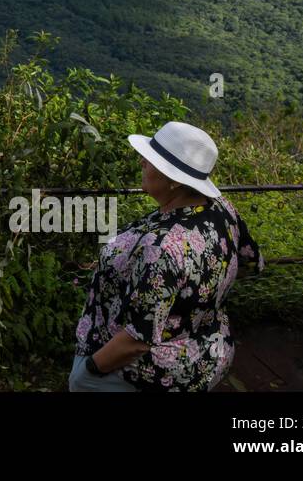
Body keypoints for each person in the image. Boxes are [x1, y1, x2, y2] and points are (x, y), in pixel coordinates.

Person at [70, 120, 263, 392]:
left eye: (148, 160)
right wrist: (196, 298)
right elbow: (251, 261)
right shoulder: (222, 210)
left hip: (152, 369)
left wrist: (88, 371)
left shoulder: (163, 248)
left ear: (172, 180)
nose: (141, 163)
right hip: (208, 349)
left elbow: (138, 339)